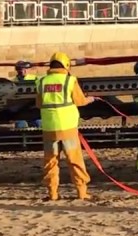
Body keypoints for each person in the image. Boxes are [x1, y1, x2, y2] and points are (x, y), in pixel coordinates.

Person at [36, 51, 97, 201]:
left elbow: (38, 104)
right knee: (75, 160)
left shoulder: (41, 82)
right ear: (66, 65)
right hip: (68, 128)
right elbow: (80, 101)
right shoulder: (70, 81)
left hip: (49, 128)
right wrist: (91, 99)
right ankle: (81, 192)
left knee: (50, 162)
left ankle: (53, 194)